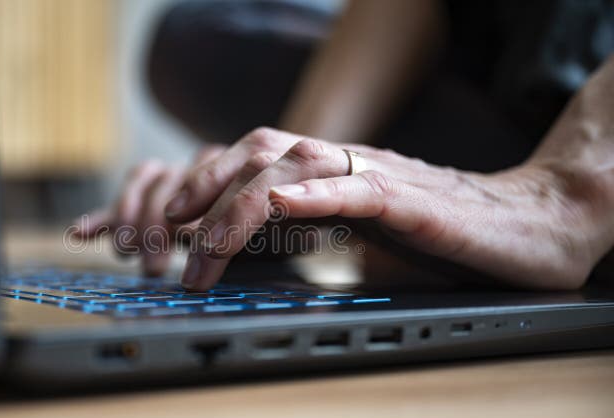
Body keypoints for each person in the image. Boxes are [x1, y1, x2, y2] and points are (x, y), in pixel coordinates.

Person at [74, 0, 614, 291]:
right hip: (498, 74)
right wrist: (291, 176)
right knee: (195, 36)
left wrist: (566, 192)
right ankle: (432, 214)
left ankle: (521, 220)